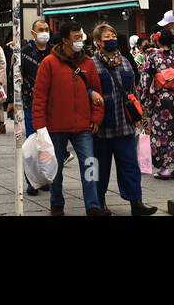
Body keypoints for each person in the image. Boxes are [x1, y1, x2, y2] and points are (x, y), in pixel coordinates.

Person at [32, 20, 107, 216]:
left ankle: (93, 205)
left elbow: (98, 93)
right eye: (75, 38)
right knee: (55, 169)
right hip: (55, 127)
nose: (80, 41)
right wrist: (40, 127)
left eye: (81, 37)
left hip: (83, 126)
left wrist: (96, 119)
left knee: (90, 163)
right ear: (65, 40)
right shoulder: (49, 63)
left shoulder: (88, 62)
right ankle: (56, 204)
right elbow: (39, 97)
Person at [90, 23, 157, 216]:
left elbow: (133, 91)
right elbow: (85, 89)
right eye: (106, 37)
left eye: (112, 35)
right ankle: (99, 202)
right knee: (100, 169)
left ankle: (136, 202)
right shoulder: (91, 63)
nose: (111, 39)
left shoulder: (125, 61)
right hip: (102, 128)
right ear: (97, 42)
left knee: (130, 167)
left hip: (125, 126)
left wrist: (140, 116)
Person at [139, 28, 174, 179]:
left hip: (160, 99)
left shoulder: (153, 56)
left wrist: (144, 97)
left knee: (161, 133)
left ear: (158, 40)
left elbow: (146, 78)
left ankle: (165, 168)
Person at [19, 19, 54, 194]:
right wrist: (14, 101)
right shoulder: (24, 53)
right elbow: (17, 78)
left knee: (47, 144)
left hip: (52, 105)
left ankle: (45, 178)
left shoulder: (54, 51)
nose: (44, 32)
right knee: (32, 144)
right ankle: (32, 181)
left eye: (46, 29)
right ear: (33, 33)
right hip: (30, 103)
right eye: (41, 29)